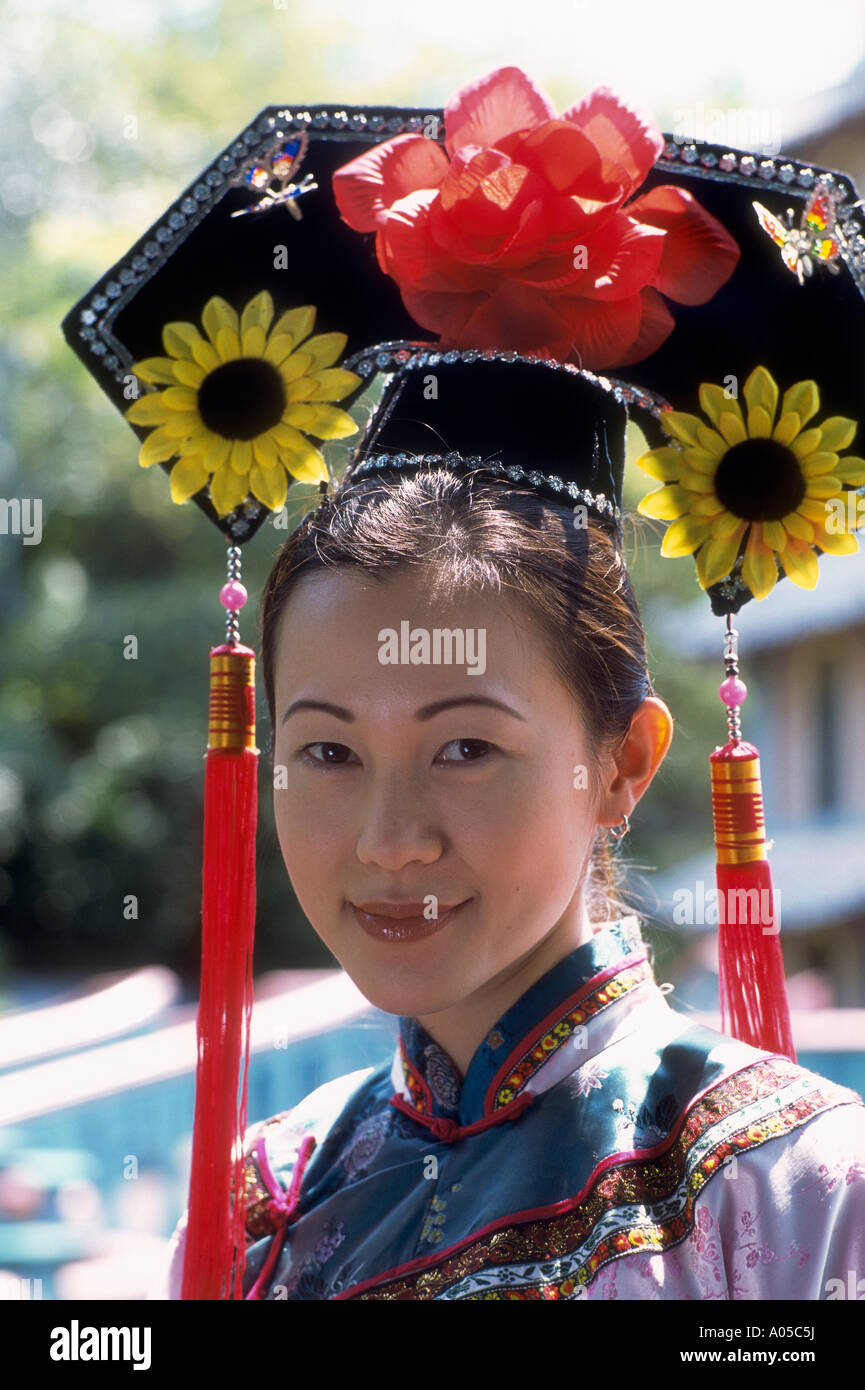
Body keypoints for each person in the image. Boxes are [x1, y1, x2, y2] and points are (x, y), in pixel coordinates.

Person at [62, 66, 865, 1301]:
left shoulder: (802, 1192)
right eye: (327, 749)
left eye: (464, 748)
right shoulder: (264, 1201)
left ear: (623, 764)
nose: (388, 840)